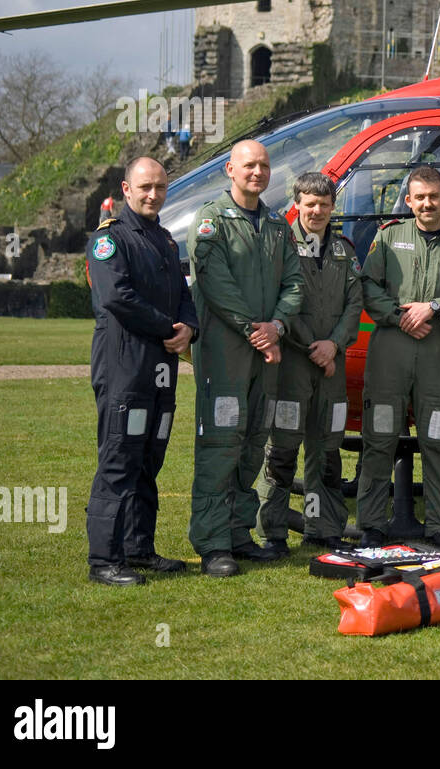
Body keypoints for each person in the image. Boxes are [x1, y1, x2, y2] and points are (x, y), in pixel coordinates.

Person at [187, 139, 303, 577]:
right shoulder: (211, 221)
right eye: (248, 165)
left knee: (254, 440)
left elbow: (294, 282)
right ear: (230, 171)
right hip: (227, 354)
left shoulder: (277, 225)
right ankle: (213, 542)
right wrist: (257, 331)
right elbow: (215, 285)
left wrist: (279, 326)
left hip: (266, 353)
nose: (257, 172)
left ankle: (239, 533)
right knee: (221, 444)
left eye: (264, 165)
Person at [357, 166, 440, 550]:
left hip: (435, 355)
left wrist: (432, 307)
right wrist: (401, 318)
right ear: (408, 200)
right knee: (379, 439)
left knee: (437, 440)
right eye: (419, 197)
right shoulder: (389, 236)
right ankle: (372, 524)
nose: (427, 203)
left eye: (433, 196)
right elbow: (368, 286)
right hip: (389, 354)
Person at [85, 157, 198, 585]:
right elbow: (117, 297)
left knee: (149, 459)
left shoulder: (167, 242)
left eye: (160, 187)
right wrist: (167, 327)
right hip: (125, 369)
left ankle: (139, 549)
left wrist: (190, 327)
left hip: (161, 368)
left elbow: (183, 295)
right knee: (119, 458)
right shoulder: (110, 241)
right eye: (145, 187)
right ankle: (104, 560)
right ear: (126, 189)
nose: (153, 195)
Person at [255, 173, 362, 555]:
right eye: (310, 203)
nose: (317, 211)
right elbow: (281, 302)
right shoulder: (280, 246)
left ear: (334, 207)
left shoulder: (345, 251)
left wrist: (333, 346)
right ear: (296, 204)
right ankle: (274, 532)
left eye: (324, 204)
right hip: (293, 368)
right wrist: (312, 348)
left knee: (328, 452)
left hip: (331, 369)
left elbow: (354, 304)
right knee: (282, 453)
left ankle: (324, 528)